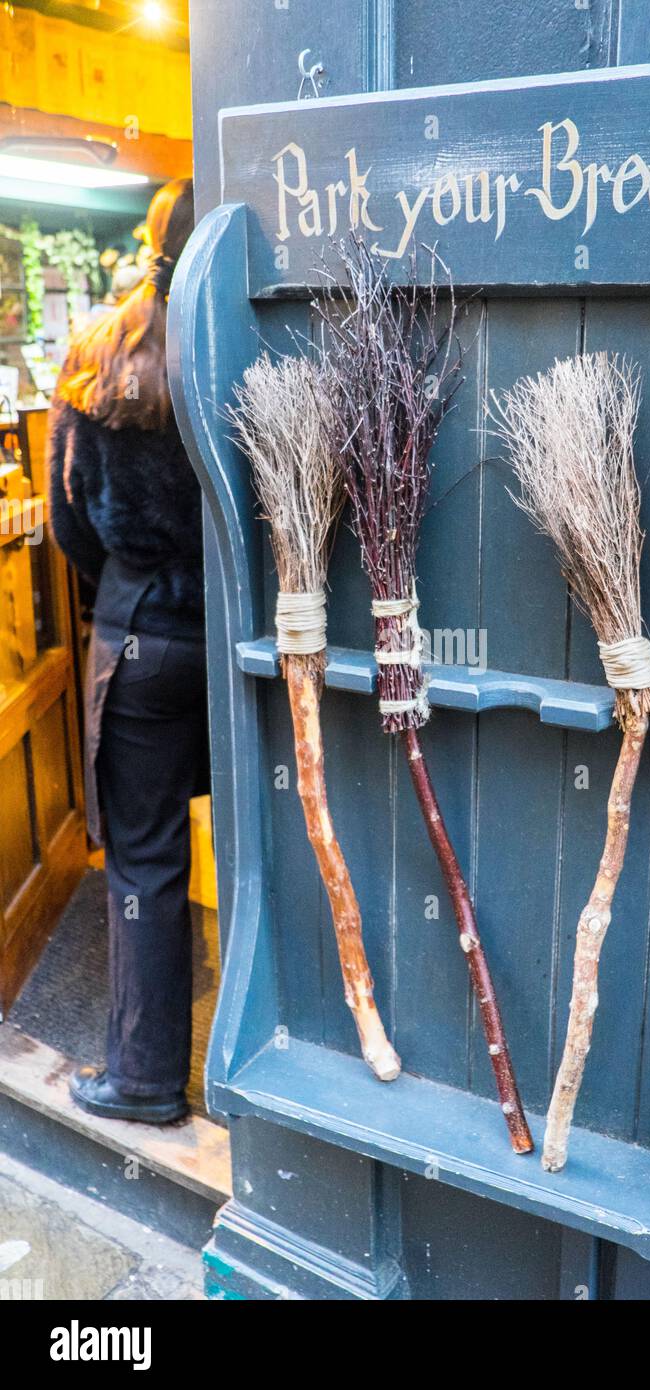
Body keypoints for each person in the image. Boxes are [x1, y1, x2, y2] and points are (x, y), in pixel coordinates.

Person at [49, 178, 205, 1124]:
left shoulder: (97, 353)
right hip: (244, 642)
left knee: (147, 863)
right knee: (273, 844)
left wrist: (122, 576)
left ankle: (146, 1083)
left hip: (139, 639)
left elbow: (69, 525)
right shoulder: (243, 344)